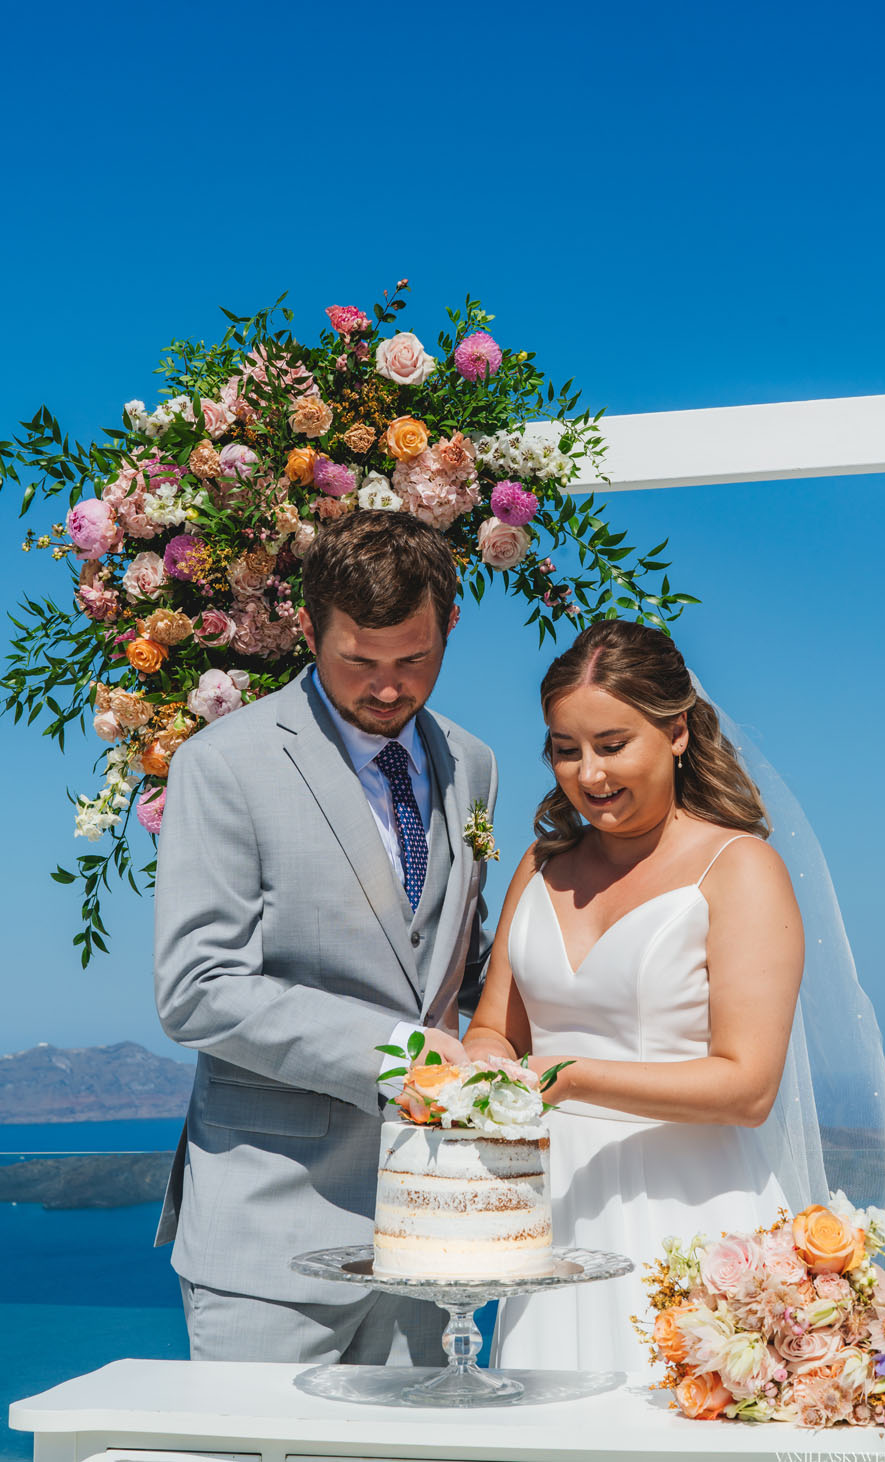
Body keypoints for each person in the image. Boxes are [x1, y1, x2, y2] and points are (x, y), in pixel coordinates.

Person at [153, 511, 496, 1365]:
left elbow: (459, 956)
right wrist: (397, 1057)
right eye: (359, 661)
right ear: (308, 631)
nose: (387, 688)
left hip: (430, 1232)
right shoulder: (223, 764)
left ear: (451, 626)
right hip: (270, 1233)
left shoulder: (473, 763)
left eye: (413, 660)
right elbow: (197, 990)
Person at [464, 618, 809, 1372]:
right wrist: (476, 1068)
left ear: (676, 732)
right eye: (566, 750)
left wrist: (571, 1079)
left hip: (687, 1211)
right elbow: (495, 1029)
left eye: (612, 745)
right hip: (554, 1207)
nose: (588, 775)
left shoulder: (738, 868)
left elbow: (749, 1087)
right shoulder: (540, 865)